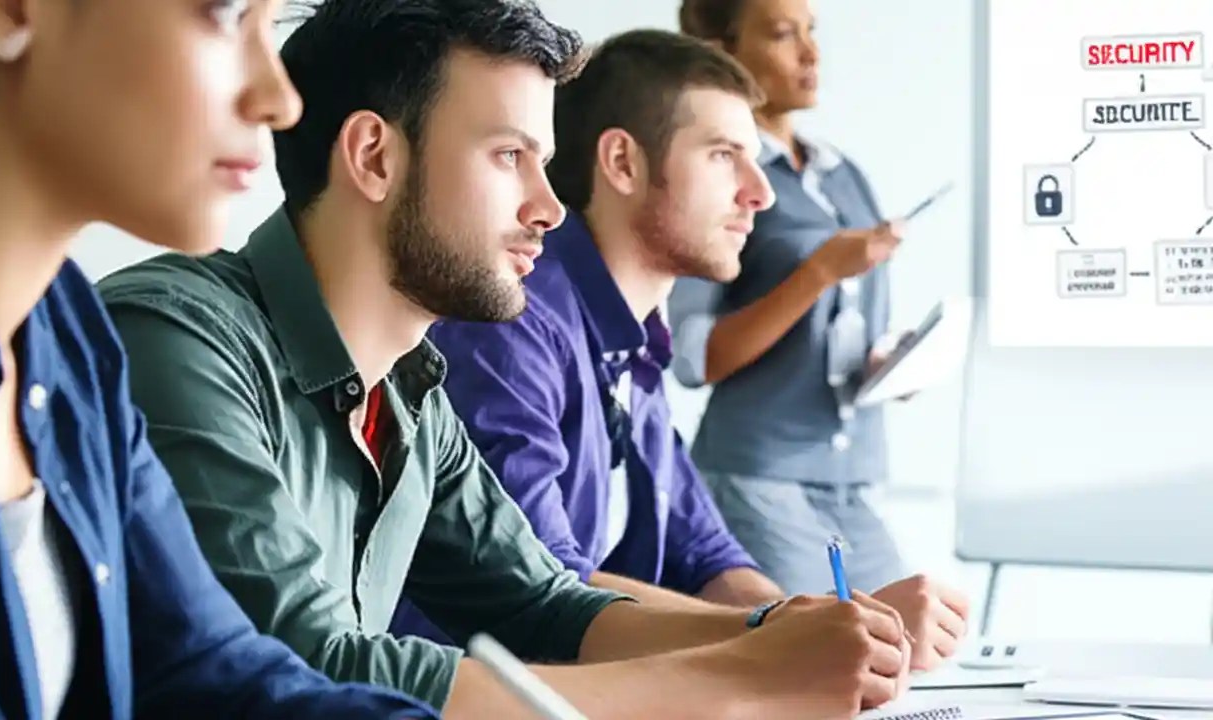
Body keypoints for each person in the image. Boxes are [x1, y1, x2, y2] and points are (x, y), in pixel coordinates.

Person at [97, 1, 916, 717]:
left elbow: (544, 604)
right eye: (507, 156)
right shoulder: (180, 338)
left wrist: (776, 630)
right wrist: (739, 676)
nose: (550, 206)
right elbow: (309, 668)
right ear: (374, 157)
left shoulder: (414, 393)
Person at [0, 0, 439, 717]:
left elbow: (210, 667)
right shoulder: (160, 329)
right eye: (227, 16)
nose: (280, 99)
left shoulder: (69, 340)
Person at [423, 28, 969, 672]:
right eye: (723, 156)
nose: (759, 194)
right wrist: (780, 630)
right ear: (623, 163)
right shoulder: (514, 323)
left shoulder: (635, 340)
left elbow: (708, 555)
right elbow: (542, 585)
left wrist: (822, 625)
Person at [672, 0, 919, 596]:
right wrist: (817, 272)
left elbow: (839, 327)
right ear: (724, 54)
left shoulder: (843, 175)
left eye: (812, 32)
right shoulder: (714, 174)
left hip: (851, 479)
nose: (811, 52)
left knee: (908, 652)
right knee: (813, 665)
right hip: (760, 480)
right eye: (784, 35)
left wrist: (887, 365)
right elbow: (693, 358)